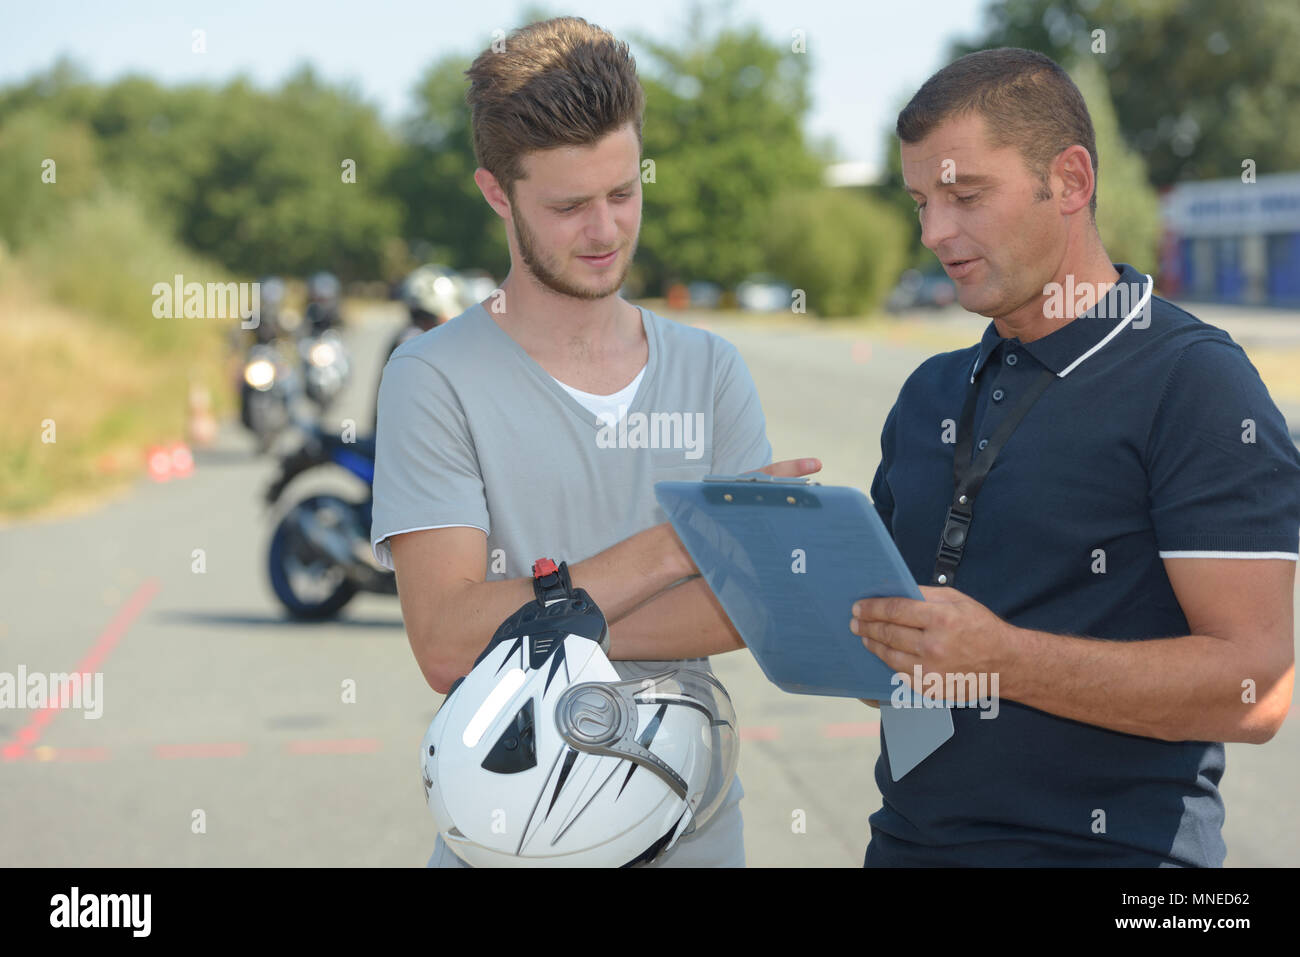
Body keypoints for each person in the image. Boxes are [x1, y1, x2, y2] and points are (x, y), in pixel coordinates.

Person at [370, 16, 820, 868]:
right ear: (497, 193)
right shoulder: (432, 377)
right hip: (507, 841)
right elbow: (445, 641)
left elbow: (751, 610)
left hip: (696, 835)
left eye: (623, 193)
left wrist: (543, 623)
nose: (606, 230)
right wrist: (673, 548)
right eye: (570, 206)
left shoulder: (710, 368)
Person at [848, 47, 1300, 866]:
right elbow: (894, 645)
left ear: (1071, 181)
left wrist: (1004, 661)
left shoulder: (1196, 382)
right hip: (905, 846)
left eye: (965, 195)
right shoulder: (928, 391)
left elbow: (1257, 687)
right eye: (921, 201)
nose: (934, 232)